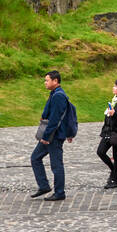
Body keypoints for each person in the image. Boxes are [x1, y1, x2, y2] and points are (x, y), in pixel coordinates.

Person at [29, 69, 76, 202]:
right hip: (51, 135)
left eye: (47, 80)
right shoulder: (54, 93)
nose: (45, 82)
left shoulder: (58, 96)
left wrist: (46, 136)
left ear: (55, 81)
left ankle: (59, 192)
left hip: (54, 137)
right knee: (35, 158)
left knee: (56, 165)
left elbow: (55, 119)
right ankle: (44, 186)